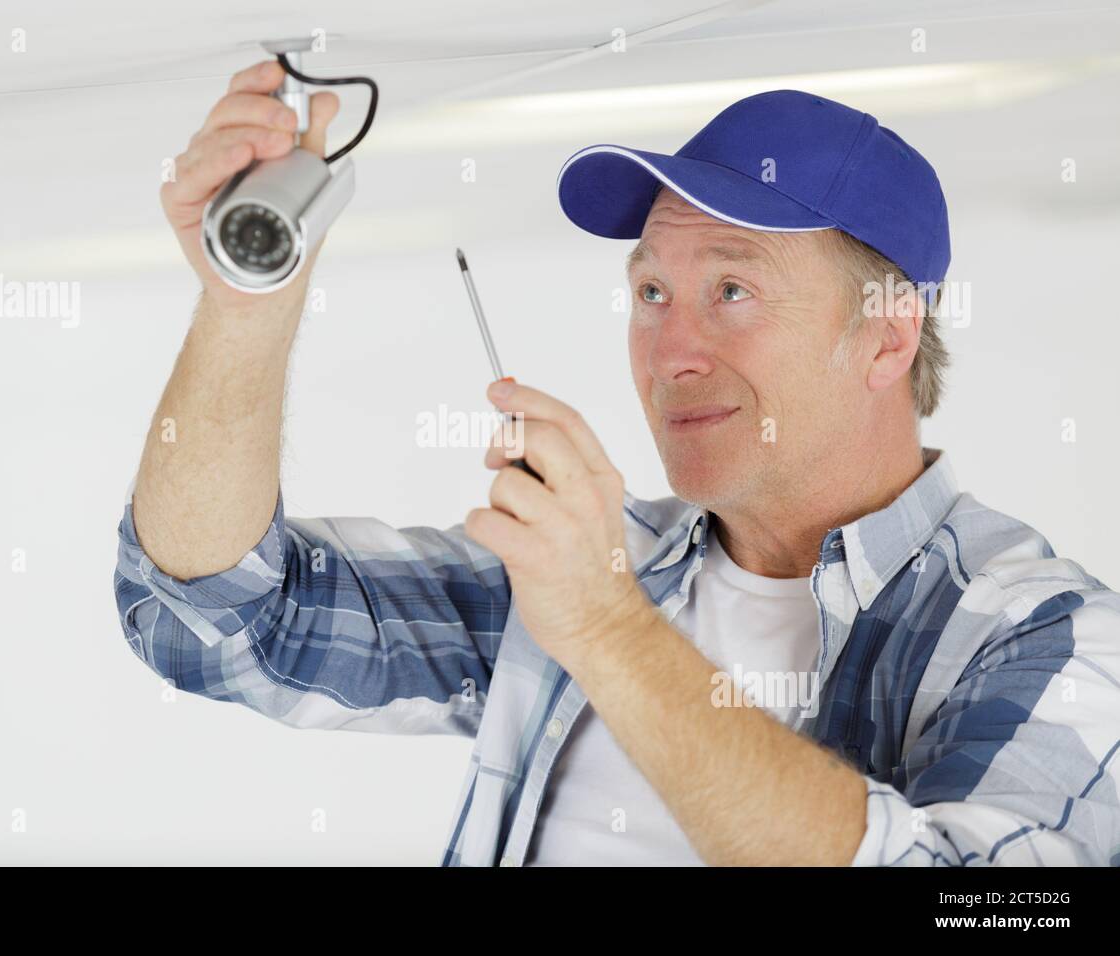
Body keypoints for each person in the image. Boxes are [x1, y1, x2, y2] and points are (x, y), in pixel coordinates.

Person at [114, 59, 1120, 866]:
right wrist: (246, 301)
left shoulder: (1049, 638)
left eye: (731, 290)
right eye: (649, 293)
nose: (670, 348)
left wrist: (603, 626)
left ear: (887, 338)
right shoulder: (597, 562)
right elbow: (217, 616)